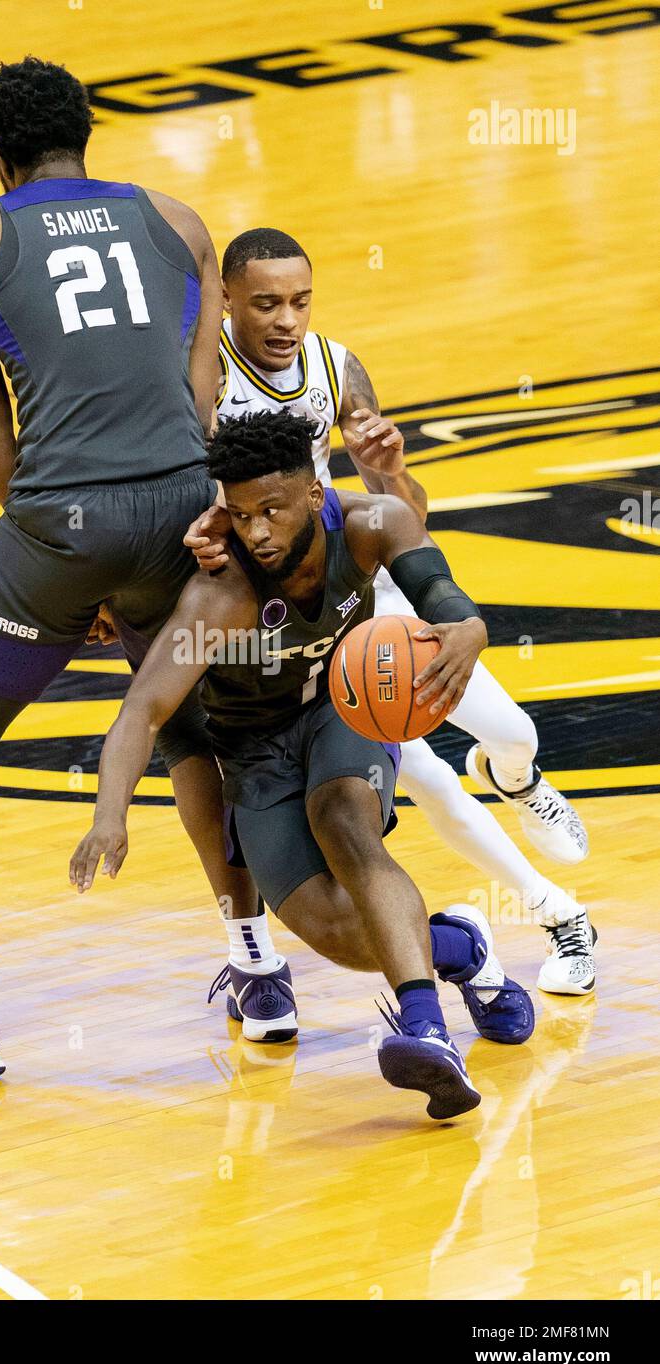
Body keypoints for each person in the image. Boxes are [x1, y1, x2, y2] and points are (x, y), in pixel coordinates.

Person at [0, 56, 262, 1082]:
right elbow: (200, 408)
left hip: (60, 521)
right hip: (182, 512)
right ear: (84, 135)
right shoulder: (177, 219)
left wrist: (66, 557)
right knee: (186, 725)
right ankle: (257, 967)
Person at [70, 411, 535, 1121]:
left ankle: (427, 1030)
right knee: (340, 934)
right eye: (240, 513)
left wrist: (468, 625)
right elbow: (144, 710)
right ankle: (460, 944)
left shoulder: (377, 524)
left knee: (344, 821)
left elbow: (446, 600)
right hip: (253, 750)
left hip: (345, 713)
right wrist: (109, 814)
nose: (255, 532)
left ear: (315, 494)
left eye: (272, 511)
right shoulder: (221, 595)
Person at [187, 227, 595, 997]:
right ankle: (555, 914)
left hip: (360, 583)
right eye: (267, 303)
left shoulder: (335, 369)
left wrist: (391, 471)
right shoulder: (197, 380)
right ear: (224, 299)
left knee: (512, 729)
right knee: (429, 785)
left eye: (301, 302)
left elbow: (407, 515)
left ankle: (516, 774)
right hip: (282, 620)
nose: (287, 321)